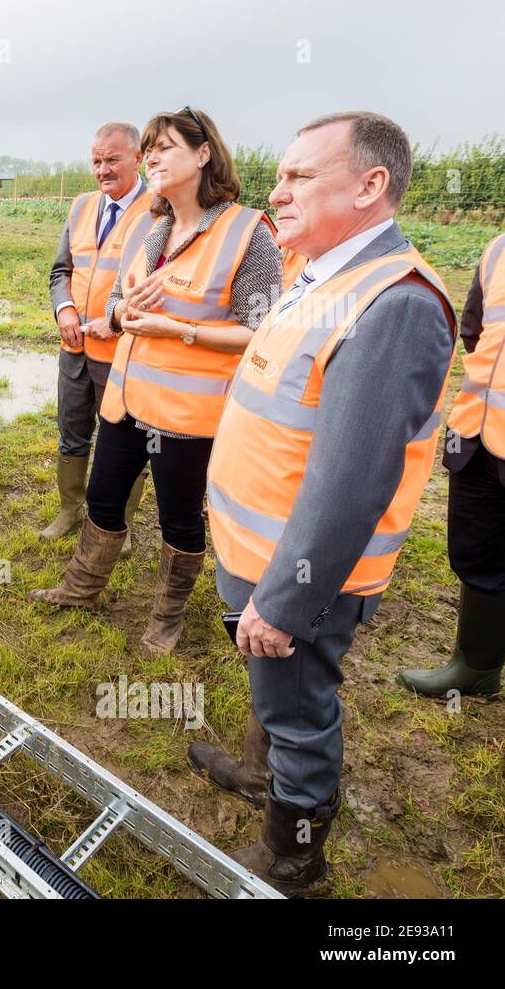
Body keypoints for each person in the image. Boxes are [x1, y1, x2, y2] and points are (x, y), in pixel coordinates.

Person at [190, 111, 456, 896]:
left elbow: (352, 481)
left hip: (297, 576)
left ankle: (294, 859)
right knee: (276, 695)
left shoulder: (392, 303)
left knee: (301, 713)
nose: (278, 190)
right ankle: (256, 769)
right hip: (256, 552)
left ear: (371, 186)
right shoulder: (321, 273)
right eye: (280, 174)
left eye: (301, 175)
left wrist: (284, 602)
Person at [30, 107, 281, 655]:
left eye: (164, 147)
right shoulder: (154, 225)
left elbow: (264, 332)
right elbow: (121, 303)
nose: (153, 158)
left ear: (203, 153)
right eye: (149, 149)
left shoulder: (246, 230)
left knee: (179, 517)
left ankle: (166, 618)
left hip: (189, 416)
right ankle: (82, 587)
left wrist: (179, 329)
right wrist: (122, 314)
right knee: (102, 496)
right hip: (126, 398)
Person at [398, 231, 505, 696]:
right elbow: (475, 330)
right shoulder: (499, 247)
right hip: (480, 432)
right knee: (478, 552)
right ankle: (477, 668)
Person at [42, 122, 154, 546]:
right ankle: (69, 509)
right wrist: (65, 308)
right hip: (74, 348)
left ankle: (116, 525)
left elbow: (162, 285)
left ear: (138, 158)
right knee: (71, 431)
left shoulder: (160, 211)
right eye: (96, 161)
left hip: (126, 352)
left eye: (112, 160)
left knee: (122, 441)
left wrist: (117, 320)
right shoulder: (81, 206)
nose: (102, 169)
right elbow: (60, 271)